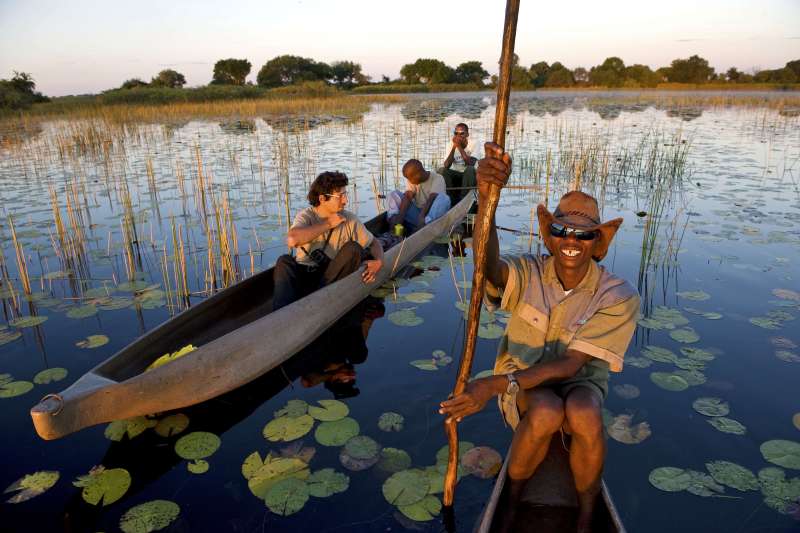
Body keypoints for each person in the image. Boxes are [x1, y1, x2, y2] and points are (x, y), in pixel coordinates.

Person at [439, 143, 640, 533]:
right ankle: (513, 504)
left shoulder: (617, 295)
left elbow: (570, 365)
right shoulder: (529, 272)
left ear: (597, 242)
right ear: (550, 234)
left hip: (580, 383)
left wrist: (492, 385)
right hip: (526, 382)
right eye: (562, 230)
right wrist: (487, 200)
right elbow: (489, 268)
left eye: (583, 235)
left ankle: (584, 516)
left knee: (583, 412)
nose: (571, 240)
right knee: (546, 410)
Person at [272, 171, 384, 311]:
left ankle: (319, 302)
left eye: (345, 194)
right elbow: (292, 240)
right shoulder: (307, 216)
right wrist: (328, 224)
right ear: (322, 198)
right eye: (340, 196)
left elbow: (374, 243)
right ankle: (280, 315)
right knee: (284, 261)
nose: (345, 201)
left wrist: (379, 261)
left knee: (353, 249)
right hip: (305, 276)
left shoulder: (349, 219)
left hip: (331, 277)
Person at [387, 159, 451, 232]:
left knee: (444, 199)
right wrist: (400, 218)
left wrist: (422, 216)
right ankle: (394, 221)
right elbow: (408, 197)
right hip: (417, 215)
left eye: (410, 178)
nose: (409, 181)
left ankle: (425, 227)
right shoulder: (413, 179)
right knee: (393, 194)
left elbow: (431, 199)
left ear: (419, 173)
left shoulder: (438, 178)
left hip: (431, 216)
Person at [438, 122, 477, 204]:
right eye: (456, 133)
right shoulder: (450, 144)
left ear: (467, 134)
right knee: (442, 170)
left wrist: (459, 147)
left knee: (470, 169)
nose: (458, 136)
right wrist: (454, 147)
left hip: (469, 175)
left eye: (462, 133)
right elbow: (446, 165)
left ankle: (464, 199)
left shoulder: (474, 144)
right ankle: (449, 198)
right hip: (456, 174)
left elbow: (470, 163)